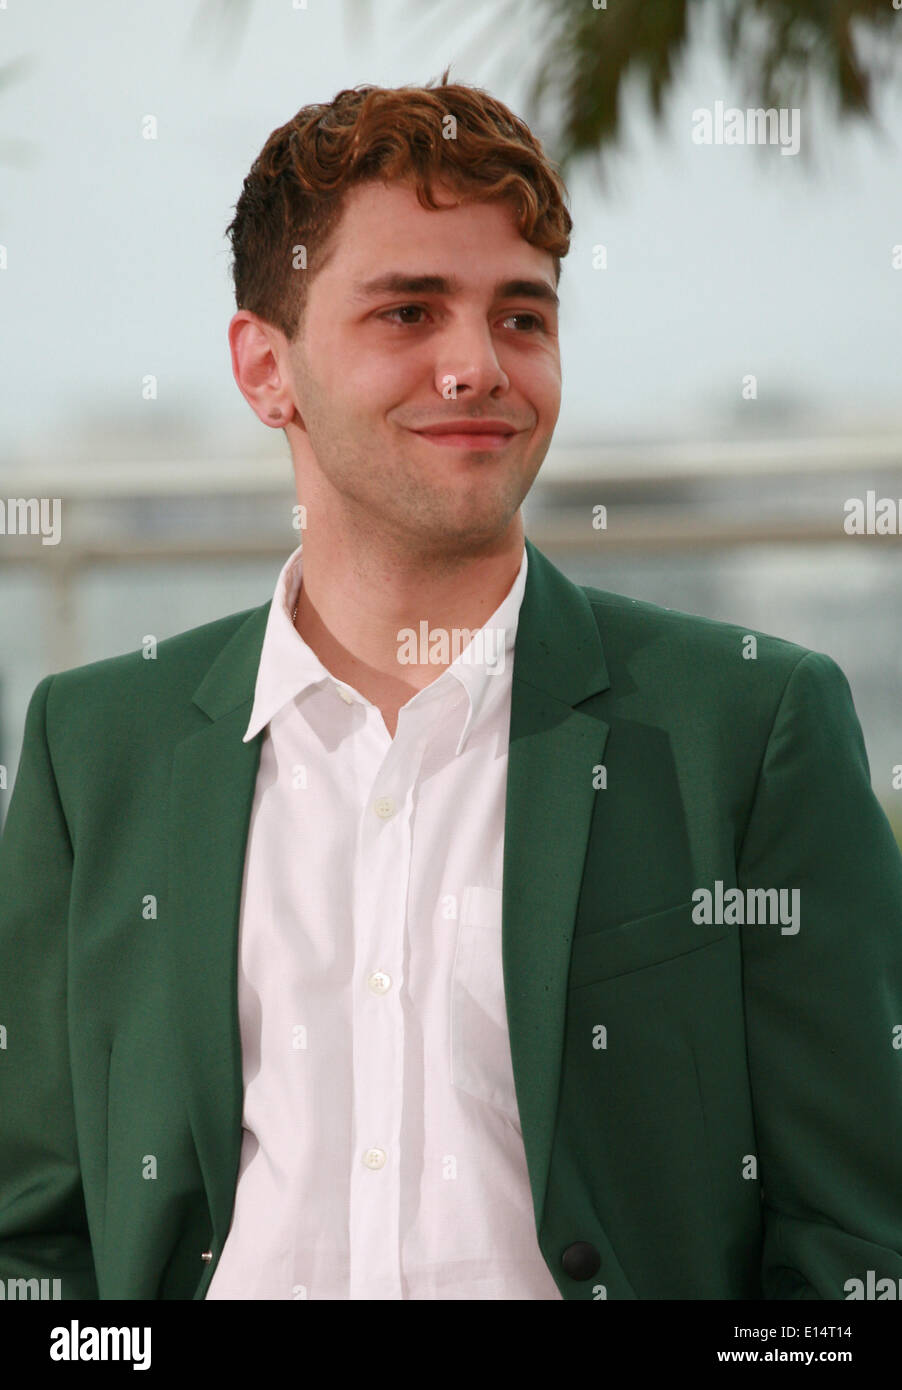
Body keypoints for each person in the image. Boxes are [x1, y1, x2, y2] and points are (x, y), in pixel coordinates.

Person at [1, 70, 901, 1302]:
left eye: (520, 317)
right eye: (408, 312)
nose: (477, 365)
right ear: (265, 369)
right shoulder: (89, 748)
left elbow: (855, 1242)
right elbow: (30, 1231)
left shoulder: (748, 729)